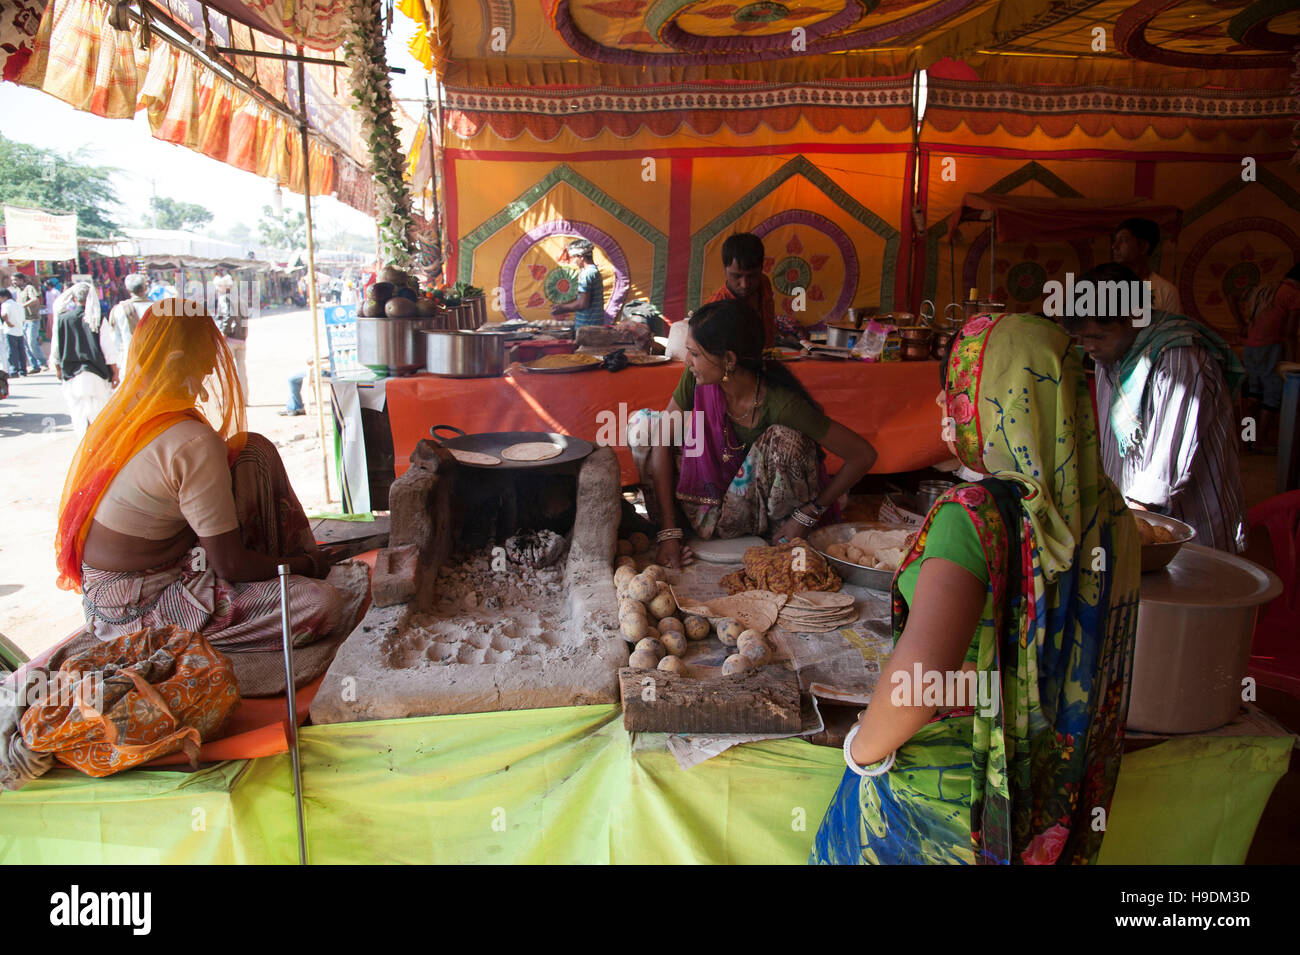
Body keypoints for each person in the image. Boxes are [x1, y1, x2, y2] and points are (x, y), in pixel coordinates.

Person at [811, 313, 1141, 865]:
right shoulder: (1108, 513)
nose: (943, 405)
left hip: (952, 797)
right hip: (1053, 785)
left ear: (1002, 403)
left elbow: (919, 685)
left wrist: (862, 750)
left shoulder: (975, 517)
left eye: (958, 391)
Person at [54, 300, 341, 655]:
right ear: (178, 362)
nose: (209, 371)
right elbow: (230, 564)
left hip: (120, 587)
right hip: (136, 609)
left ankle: (270, 571)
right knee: (320, 603)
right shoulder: (192, 442)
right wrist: (305, 564)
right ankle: (176, 635)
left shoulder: (131, 411)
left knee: (252, 451)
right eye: (205, 361)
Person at [634, 299, 877, 568]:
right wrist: (668, 530)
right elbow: (661, 440)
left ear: (728, 360)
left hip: (754, 513)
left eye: (696, 353)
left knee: (789, 442)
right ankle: (677, 533)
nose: (687, 360)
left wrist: (810, 513)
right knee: (645, 426)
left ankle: (782, 537)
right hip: (702, 503)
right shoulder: (696, 378)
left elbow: (863, 455)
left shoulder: (782, 404)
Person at [1064, 263, 1246, 552]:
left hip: (1192, 528)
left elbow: (1163, 470)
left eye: (1097, 336)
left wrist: (1124, 523)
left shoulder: (1179, 358)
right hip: (1134, 519)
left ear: (1136, 316)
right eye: (1082, 339)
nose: (1089, 347)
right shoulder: (1109, 356)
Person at [1230, 262, 1300, 452]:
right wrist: (1292, 363)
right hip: (1269, 348)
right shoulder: (1293, 294)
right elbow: (1290, 333)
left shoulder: (1268, 288)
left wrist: (1241, 324)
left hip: (1251, 348)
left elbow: (1233, 296)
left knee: (1253, 395)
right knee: (1272, 394)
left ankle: (1246, 441)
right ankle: (1259, 442)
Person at [50, 283, 115, 435]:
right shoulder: (97, 319)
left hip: (73, 376)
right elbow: (108, 349)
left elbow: (56, 348)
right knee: (99, 418)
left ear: (74, 298)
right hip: (97, 375)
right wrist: (115, 372)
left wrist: (57, 368)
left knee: (79, 417)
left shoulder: (63, 319)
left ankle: (84, 448)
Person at [706, 233, 777, 349]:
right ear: (725, 270)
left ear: (761, 268)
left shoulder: (764, 282)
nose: (745, 285)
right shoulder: (715, 307)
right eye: (736, 276)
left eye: (752, 276)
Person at [1112, 217, 1180, 314]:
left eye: (1123, 240)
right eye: (1115, 240)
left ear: (1142, 246)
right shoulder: (1102, 286)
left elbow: (1173, 328)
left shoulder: (1166, 292)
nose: (1114, 246)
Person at [102, 273, 151, 384]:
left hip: (129, 363)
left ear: (128, 289)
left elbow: (115, 341)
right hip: (154, 364)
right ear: (146, 288)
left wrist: (115, 368)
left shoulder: (119, 310)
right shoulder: (159, 308)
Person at [550, 239, 606, 328]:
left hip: (587, 327)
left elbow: (583, 303)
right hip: (594, 323)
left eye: (573, 257)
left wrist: (562, 308)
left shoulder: (587, 274)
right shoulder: (593, 271)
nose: (573, 261)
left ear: (581, 256)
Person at [212, 273, 250, 402]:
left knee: (226, 370)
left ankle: (228, 400)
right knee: (241, 370)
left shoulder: (224, 299)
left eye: (218, 287)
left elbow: (228, 316)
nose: (217, 289)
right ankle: (244, 399)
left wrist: (223, 334)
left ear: (223, 287)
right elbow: (245, 318)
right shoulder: (240, 299)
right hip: (241, 339)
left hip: (230, 339)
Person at [13, 274, 46, 374]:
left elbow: (35, 299)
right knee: (26, 345)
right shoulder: (18, 291)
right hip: (23, 320)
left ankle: (42, 363)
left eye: (16, 280)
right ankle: (34, 365)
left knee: (31, 342)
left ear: (22, 280)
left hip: (33, 319)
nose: (14, 282)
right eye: (13, 280)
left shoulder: (29, 288)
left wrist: (22, 306)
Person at [1, 289, 26, 377]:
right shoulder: (18, 305)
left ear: (4, 297)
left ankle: (14, 371)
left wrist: (8, 323)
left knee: (12, 352)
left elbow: (4, 315)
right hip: (19, 330)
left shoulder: (5, 304)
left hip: (10, 331)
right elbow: (23, 319)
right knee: (21, 351)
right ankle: (23, 370)